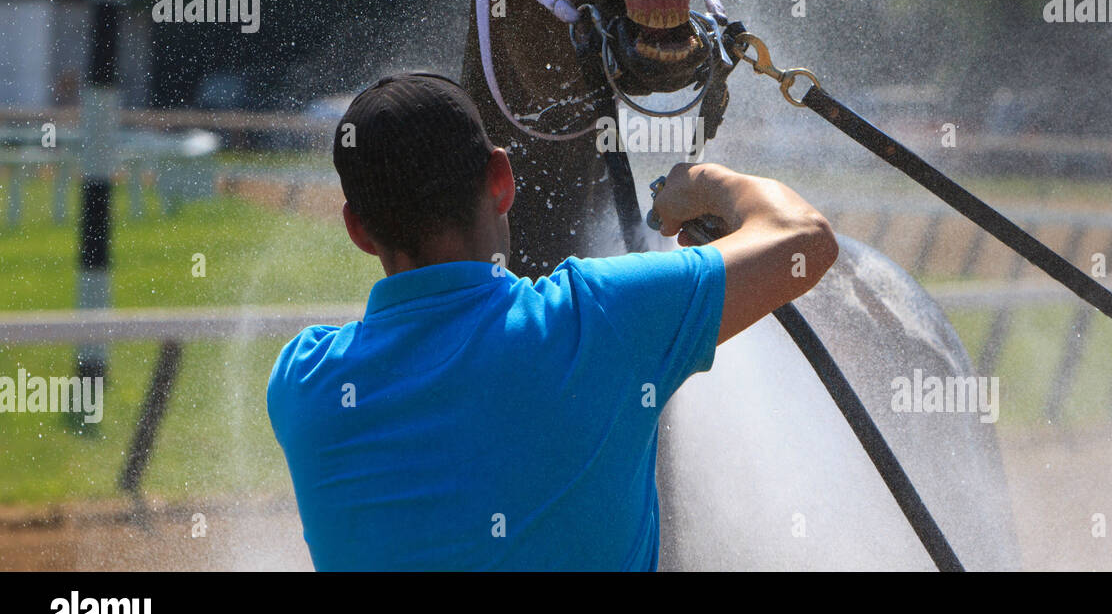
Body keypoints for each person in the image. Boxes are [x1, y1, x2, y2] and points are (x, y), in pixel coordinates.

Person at [267, 71, 837, 570]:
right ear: (501, 181)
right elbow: (804, 238)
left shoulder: (301, 383)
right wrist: (705, 183)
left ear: (357, 228)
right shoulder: (599, 318)